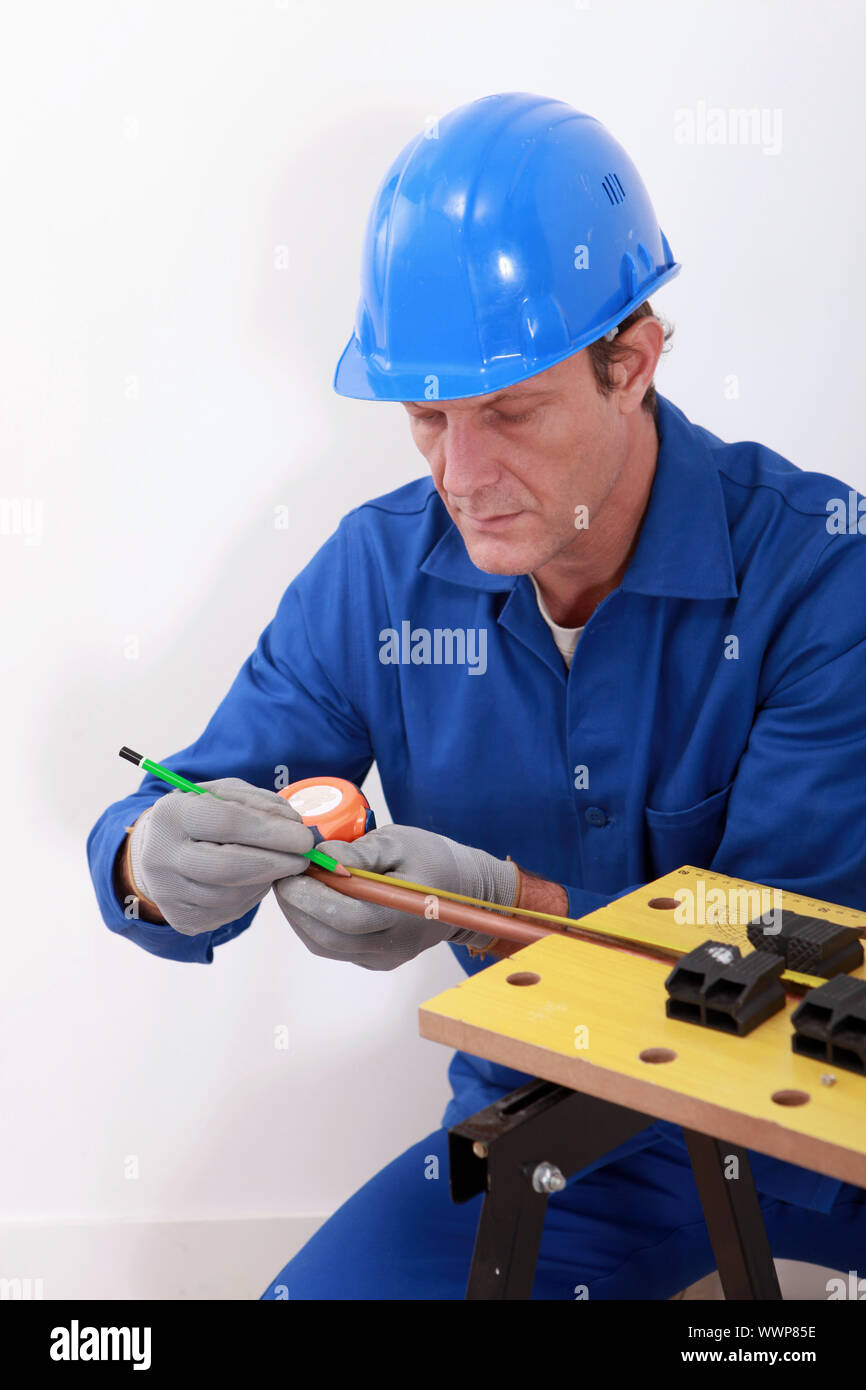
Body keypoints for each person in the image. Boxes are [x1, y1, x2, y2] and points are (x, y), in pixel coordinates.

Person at [87, 92, 866, 1299]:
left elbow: (773, 967)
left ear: (633, 364)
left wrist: (498, 904)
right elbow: (200, 788)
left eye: (508, 413)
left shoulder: (820, 570)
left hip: (822, 1130)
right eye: (426, 418)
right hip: (559, 1134)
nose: (461, 475)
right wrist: (150, 859)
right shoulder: (375, 575)